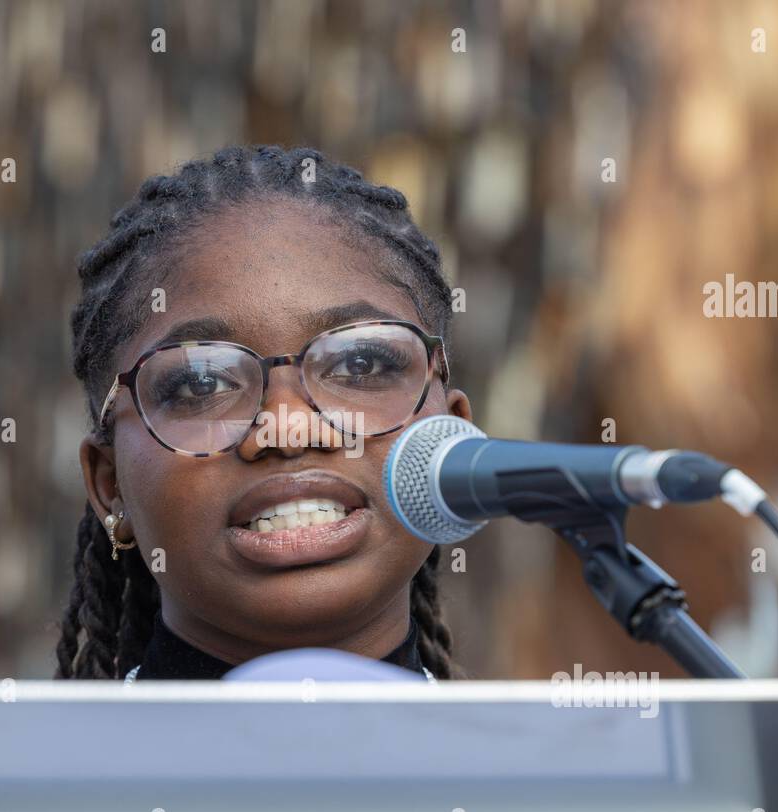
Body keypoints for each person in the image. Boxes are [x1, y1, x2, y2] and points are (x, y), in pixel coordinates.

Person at [55, 145, 473, 682]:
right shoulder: (29, 767)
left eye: (360, 362)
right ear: (110, 484)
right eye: (201, 381)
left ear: (453, 438)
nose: (287, 425)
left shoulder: (531, 766)